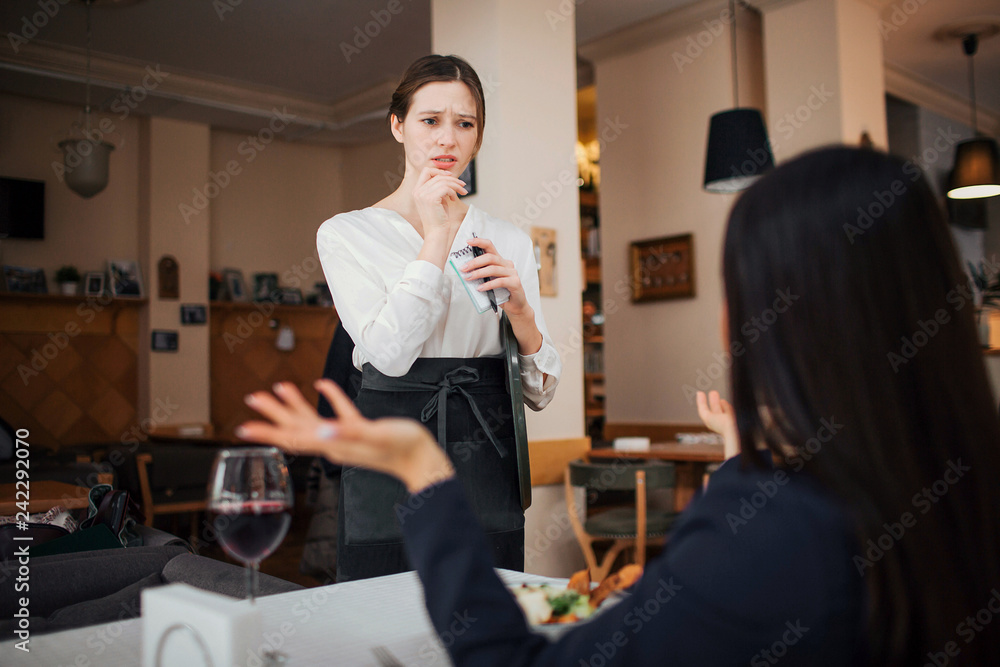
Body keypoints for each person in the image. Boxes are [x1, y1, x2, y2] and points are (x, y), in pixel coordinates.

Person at [239, 146, 1000, 664]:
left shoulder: (780, 539)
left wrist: (424, 468)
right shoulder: (950, 496)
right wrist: (744, 458)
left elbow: (516, 659)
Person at [313, 54, 561, 581]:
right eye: (430, 121)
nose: (447, 139)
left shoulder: (510, 240)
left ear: (477, 136)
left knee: (488, 608)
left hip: (486, 443)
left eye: (464, 124)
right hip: (390, 444)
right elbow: (390, 355)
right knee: (378, 611)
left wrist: (520, 312)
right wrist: (437, 234)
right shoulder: (346, 233)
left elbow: (539, 393)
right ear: (398, 126)